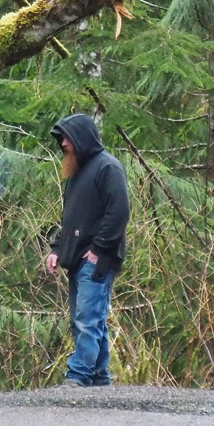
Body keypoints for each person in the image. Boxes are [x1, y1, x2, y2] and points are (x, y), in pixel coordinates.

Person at [44, 113, 130, 386]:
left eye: (68, 138)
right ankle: (99, 379)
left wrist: (99, 248)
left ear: (83, 138)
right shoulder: (77, 172)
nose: (64, 144)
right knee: (91, 320)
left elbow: (119, 212)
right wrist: (57, 248)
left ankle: (78, 376)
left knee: (86, 320)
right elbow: (70, 217)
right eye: (62, 139)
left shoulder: (108, 168)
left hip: (97, 260)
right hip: (77, 259)